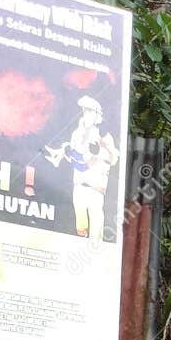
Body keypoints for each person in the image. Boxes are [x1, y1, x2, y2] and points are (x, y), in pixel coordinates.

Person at [44, 96, 119, 240]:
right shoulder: (77, 134)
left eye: (89, 111)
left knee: (96, 218)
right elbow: (75, 156)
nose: (86, 114)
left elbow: (113, 159)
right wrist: (64, 152)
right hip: (79, 184)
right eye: (85, 111)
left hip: (96, 187)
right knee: (80, 218)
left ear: (97, 115)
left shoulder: (105, 137)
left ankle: (94, 245)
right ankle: (81, 240)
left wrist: (104, 149)